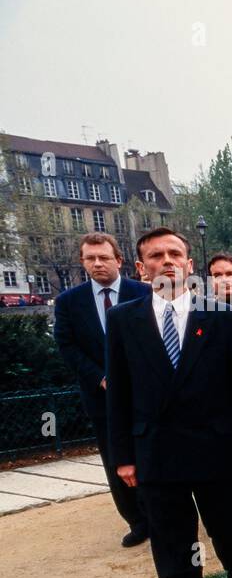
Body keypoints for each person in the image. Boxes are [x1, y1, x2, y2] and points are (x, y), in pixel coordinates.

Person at [106, 227, 232, 578]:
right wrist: (122, 457)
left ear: (190, 264)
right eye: (156, 256)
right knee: (175, 549)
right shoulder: (124, 321)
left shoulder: (223, 316)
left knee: (230, 535)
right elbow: (117, 393)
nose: (167, 261)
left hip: (217, 451)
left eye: (175, 253)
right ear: (141, 268)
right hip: (157, 457)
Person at [53, 232, 151, 547]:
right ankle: (137, 521)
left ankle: (162, 512)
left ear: (118, 260)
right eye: (90, 258)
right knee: (116, 458)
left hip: (146, 394)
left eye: (104, 257)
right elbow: (67, 346)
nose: (97, 263)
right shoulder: (70, 302)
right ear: (82, 261)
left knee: (152, 452)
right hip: (102, 398)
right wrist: (101, 377)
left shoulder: (143, 293)